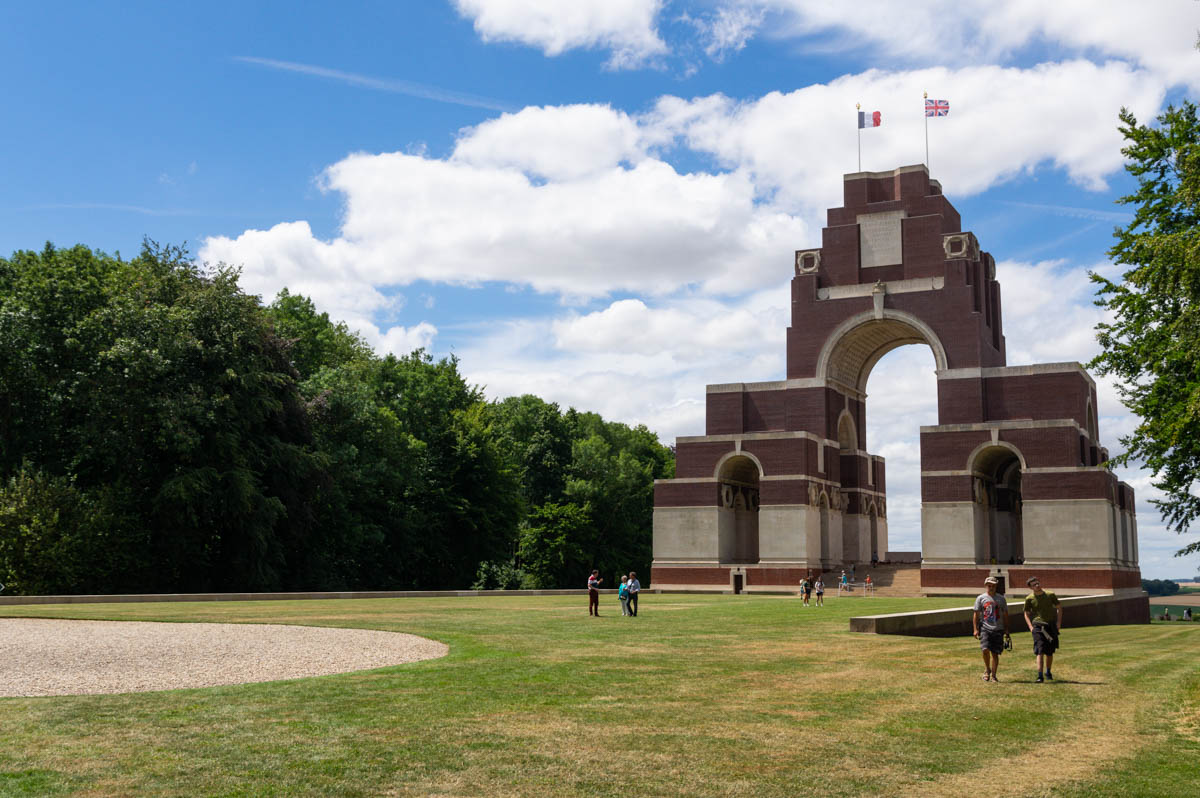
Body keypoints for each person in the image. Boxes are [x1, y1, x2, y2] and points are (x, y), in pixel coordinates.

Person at [1023, 576, 1062, 682]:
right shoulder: (1029, 598)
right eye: (1034, 585)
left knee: (1049, 652)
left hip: (1050, 626)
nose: (1037, 585)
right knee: (1040, 650)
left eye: (1038, 583)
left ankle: (1048, 672)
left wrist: (1058, 623)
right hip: (1038, 627)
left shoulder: (1050, 595)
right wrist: (1031, 627)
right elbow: (1026, 613)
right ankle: (1040, 676)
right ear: (1031, 588)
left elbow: (1059, 608)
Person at [973, 576, 1009, 682]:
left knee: (995, 653)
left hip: (998, 629)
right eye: (989, 585)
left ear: (996, 586)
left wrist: (1007, 630)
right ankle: (987, 669)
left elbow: (1005, 615)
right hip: (985, 628)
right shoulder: (980, 598)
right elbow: (976, 614)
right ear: (986, 586)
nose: (991, 587)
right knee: (985, 649)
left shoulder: (1001, 599)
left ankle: (993, 675)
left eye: (993, 585)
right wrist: (975, 629)